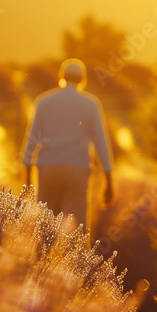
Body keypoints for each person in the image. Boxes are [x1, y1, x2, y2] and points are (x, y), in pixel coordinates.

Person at [21, 58, 114, 230]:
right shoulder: (91, 104)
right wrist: (108, 179)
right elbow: (101, 141)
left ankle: (44, 257)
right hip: (77, 171)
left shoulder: (44, 101)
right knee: (76, 231)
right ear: (82, 79)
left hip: (48, 169)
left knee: (44, 229)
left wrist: (27, 175)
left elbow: (31, 139)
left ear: (61, 76)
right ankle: (73, 257)